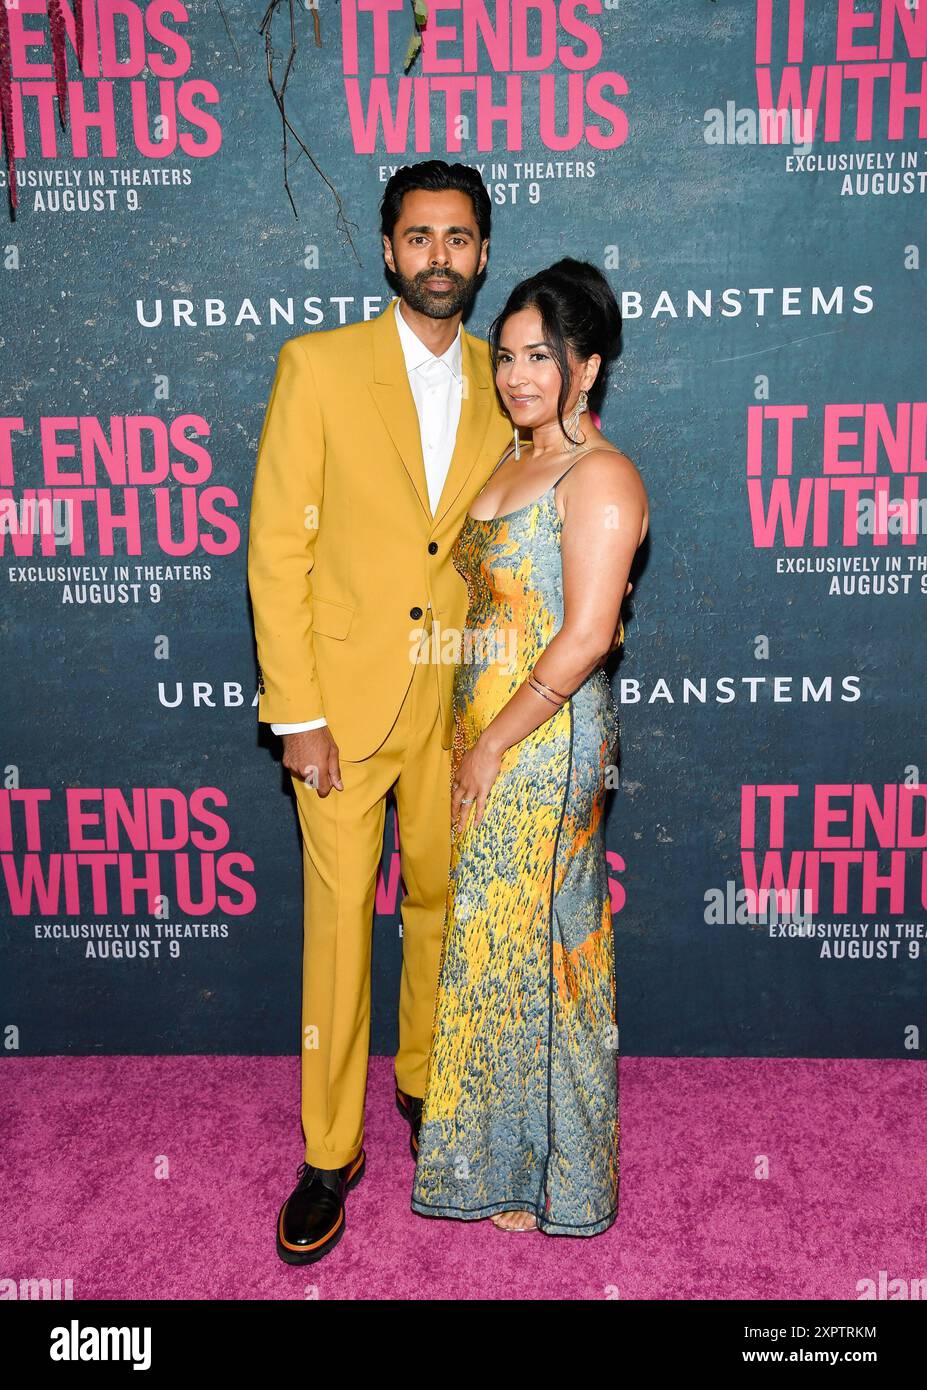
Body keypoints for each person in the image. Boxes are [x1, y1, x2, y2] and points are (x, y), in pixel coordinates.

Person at [247, 160, 514, 1264]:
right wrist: (296, 711)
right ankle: (329, 1149)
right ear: (388, 247)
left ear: (484, 254)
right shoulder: (317, 366)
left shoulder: (517, 378)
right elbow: (277, 546)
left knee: (444, 909)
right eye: (419, 237)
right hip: (344, 710)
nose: (439, 256)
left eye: (458, 238)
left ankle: (423, 1087)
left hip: (457, 703)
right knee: (337, 933)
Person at [410, 258, 649, 1236]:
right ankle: (509, 1162)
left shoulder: (600, 474)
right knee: (502, 951)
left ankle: (564, 1175)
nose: (516, 375)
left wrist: (494, 744)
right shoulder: (512, 465)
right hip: (490, 734)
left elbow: (587, 634)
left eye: (540, 356)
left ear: (586, 367)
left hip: (545, 743)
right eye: (505, 355)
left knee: (552, 956)